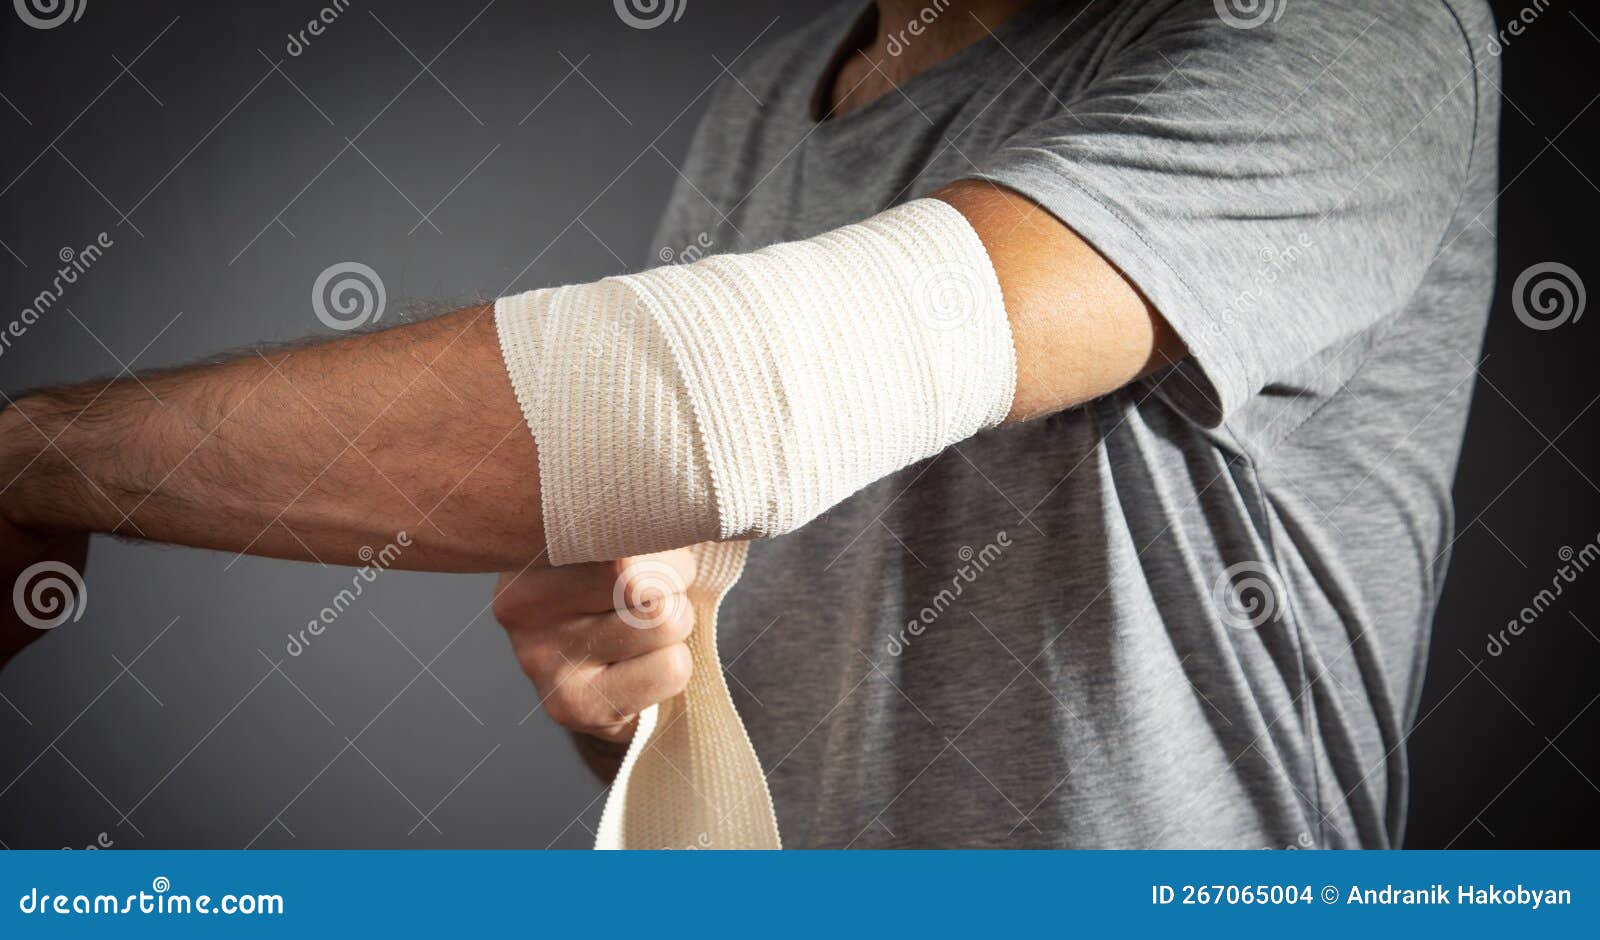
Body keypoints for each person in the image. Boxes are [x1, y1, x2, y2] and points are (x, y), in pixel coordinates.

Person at [0, 0, 1497, 848]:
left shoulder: (1343, 35)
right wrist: (643, 696)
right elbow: (671, 519)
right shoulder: (775, 95)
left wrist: (39, 456)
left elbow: (707, 396)